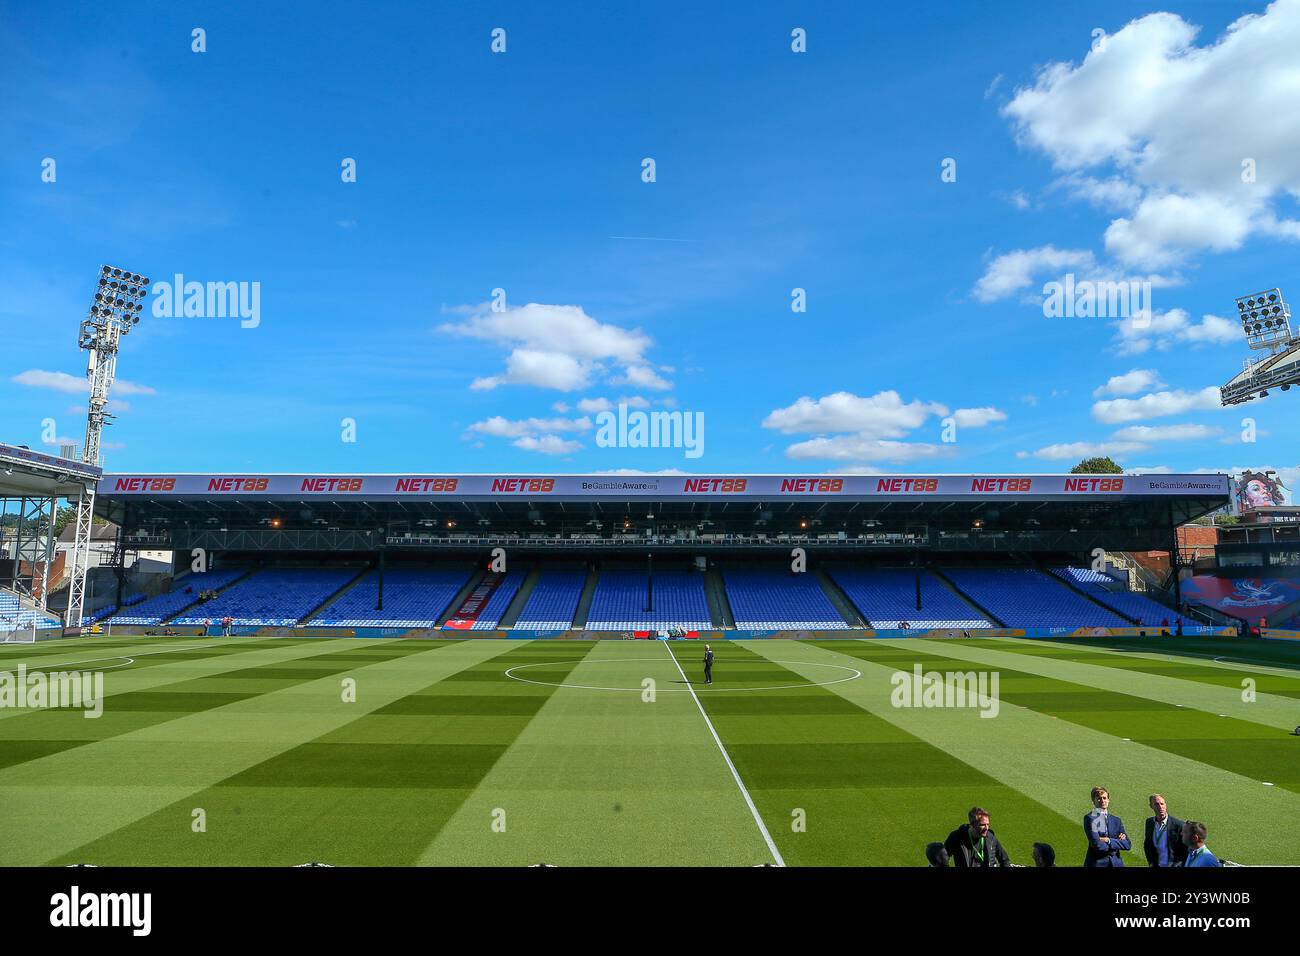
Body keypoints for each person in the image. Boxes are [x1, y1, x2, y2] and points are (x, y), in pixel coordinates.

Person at [944, 807, 1011, 868]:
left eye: (988, 824)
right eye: (982, 825)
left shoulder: (991, 838)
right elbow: (942, 858)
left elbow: (1005, 860)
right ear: (972, 824)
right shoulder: (957, 837)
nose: (986, 828)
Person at [1083, 786, 1131, 867]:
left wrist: (1107, 840)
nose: (1102, 801)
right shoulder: (1090, 818)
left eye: (1104, 798)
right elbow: (1097, 844)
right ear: (1093, 801)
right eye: (1099, 798)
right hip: (1097, 863)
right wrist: (1117, 843)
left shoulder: (1116, 820)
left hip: (1116, 863)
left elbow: (1127, 844)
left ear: (1108, 800)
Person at [1143, 793, 1186, 868]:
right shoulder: (1149, 823)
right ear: (1151, 806)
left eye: (1162, 804)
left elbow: (1185, 851)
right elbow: (1148, 845)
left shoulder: (1179, 825)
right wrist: (1151, 863)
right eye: (1156, 804)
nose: (1160, 807)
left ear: (1165, 805)